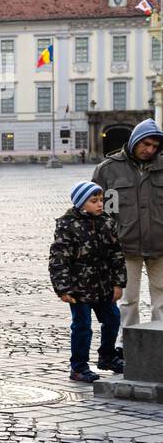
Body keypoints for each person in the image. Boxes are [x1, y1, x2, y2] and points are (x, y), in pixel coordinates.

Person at [49, 181, 126, 382]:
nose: (100, 204)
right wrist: (63, 289)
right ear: (81, 203)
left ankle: (107, 356)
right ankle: (78, 367)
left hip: (104, 286)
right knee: (82, 327)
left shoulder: (107, 222)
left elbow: (116, 255)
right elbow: (59, 259)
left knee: (112, 319)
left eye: (101, 200)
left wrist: (118, 283)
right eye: (94, 201)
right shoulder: (67, 225)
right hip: (79, 289)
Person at [93, 118, 163, 333]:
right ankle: (127, 345)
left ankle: (160, 341)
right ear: (135, 141)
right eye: (145, 144)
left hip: (160, 246)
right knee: (128, 300)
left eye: (154, 146)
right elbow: (97, 210)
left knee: (162, 298)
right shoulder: (107, 170)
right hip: (124, 247)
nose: (149, 150)